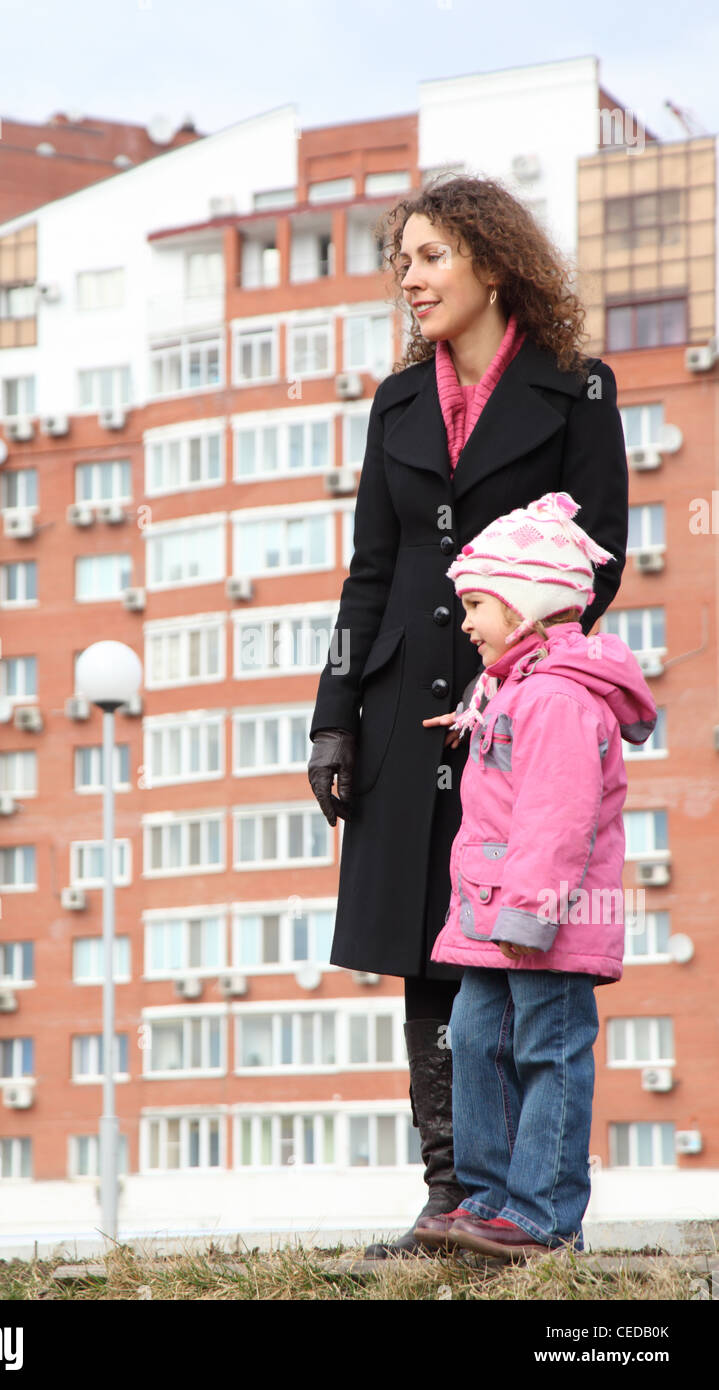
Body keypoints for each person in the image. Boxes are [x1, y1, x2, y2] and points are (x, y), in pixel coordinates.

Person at [307, 175, 629, 1258]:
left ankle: (525, 1206)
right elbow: (369, 572)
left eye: (430, 256)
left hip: (520, 717)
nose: (409, 277)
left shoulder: (577, 389)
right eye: (400, 260)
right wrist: (334, 717)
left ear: (492, 263)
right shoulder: (396, 402)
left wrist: (520, 675)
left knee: (517, 954)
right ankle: (450, 1196)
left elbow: (597, 559)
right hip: (403, 710)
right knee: (425, 946)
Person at [414, 491, 657, 1257]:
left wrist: (531, 912)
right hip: (496, 920)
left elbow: (557, 817)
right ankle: (489, 1198)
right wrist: (472, 720)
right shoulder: (520, 689)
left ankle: (542, 1215)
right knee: (475, 1041)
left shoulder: (554, 698)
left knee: (546, 1053)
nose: (465, 622)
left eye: (476, 604)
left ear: (528, 606)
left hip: (543, 921)